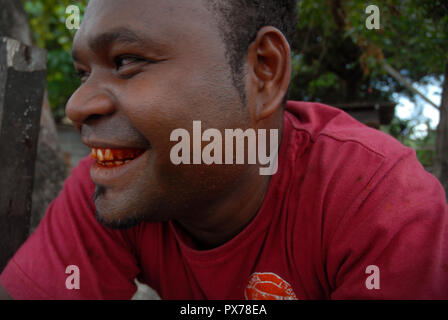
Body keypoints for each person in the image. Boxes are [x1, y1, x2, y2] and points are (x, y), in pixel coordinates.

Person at [1, 0, 447, 300]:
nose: (77, 106)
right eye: (84, 72)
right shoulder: (115, 181)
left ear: (264, 72)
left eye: (126, 61)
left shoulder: (379, 201)